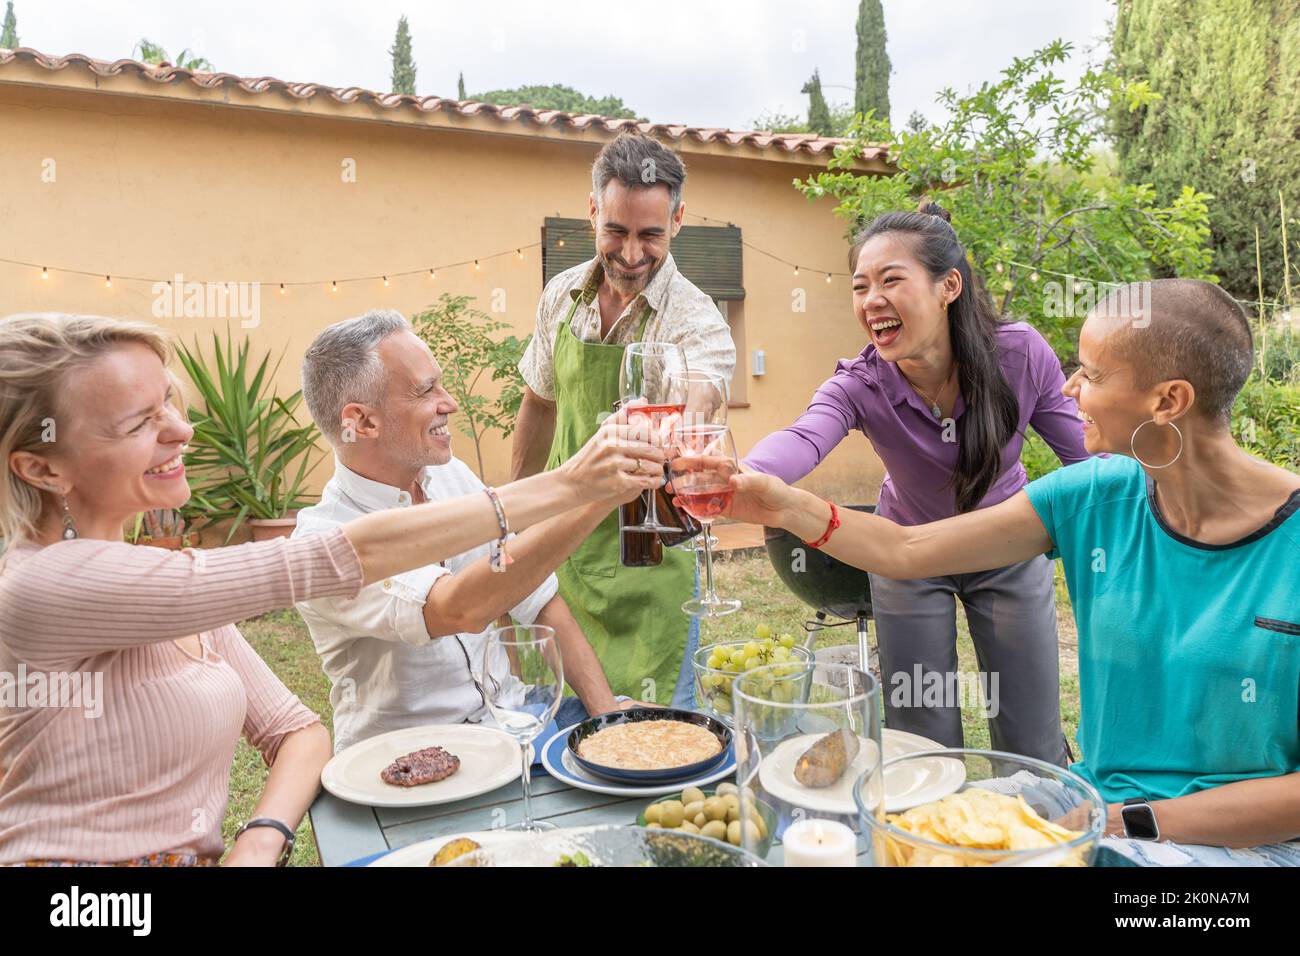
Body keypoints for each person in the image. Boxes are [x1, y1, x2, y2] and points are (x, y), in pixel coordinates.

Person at [0, 312, 664, 866]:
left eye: (171, 402)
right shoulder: (44, 584)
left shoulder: (166, 588)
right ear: (40, 466)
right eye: (139, 421)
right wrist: (577, 486)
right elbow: (341, 558)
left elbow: (296, 733)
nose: (183, 430)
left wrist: (260, 840)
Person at [720, 279, 1300, 865]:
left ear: (1168, 401)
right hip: (1095, 802)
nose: (1070, 387)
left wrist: (1132, 824)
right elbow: (906, 549)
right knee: (907, 838)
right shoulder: (1092, 495)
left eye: (1093, 375)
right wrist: (780, 506)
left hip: (1246, 843)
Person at [744, 203, 1089, 764]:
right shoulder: (859, 383)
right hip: (906, 555)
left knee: (1032, 734)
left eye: (890, 280)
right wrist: (748, 475)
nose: (870, 299)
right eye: (860, 286)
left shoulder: (1020, 353)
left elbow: (1084, 453)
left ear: (948, 286)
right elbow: (805, 438)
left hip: (1005, 544)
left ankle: (1042, 832)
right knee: (921, 737)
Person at [294, 311, 642, 753]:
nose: (449, 402)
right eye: (425, 390)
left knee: (653, 743)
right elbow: (459, 608)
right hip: (412, 762)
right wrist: (597, 496)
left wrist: (607, 716)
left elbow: (535, 597)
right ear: (362, 422)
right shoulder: (324, 543)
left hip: (515, 719)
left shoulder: (452, 477)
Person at [512, 130, 736, 707]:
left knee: (651, 743)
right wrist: (513, 511)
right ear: (592, 211)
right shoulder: (561, 295)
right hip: (558, 550)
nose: (631, 253)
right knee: (549, 726)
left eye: (650, 235)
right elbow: (538, 401)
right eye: (616, 230)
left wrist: (689, 415)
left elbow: (701, 396)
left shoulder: (696, 321)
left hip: (649, 560)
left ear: (679, 220)